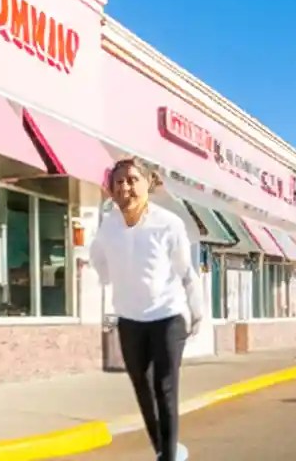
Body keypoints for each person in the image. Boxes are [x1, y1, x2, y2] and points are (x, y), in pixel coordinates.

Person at [90, 157, 203, 461]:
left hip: (168, 315)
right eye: (119, 182)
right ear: (111, 190)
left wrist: (197, 311)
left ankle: (167, 457)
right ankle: (165, 453)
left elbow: (186, 271)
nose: (125, 187)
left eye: (132, 180)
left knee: (164, 386)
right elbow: (97, 256)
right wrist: (107, 279)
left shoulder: (168, 224)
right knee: (142, 386)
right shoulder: (109, 225)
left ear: (147, 184)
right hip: (130, 318)